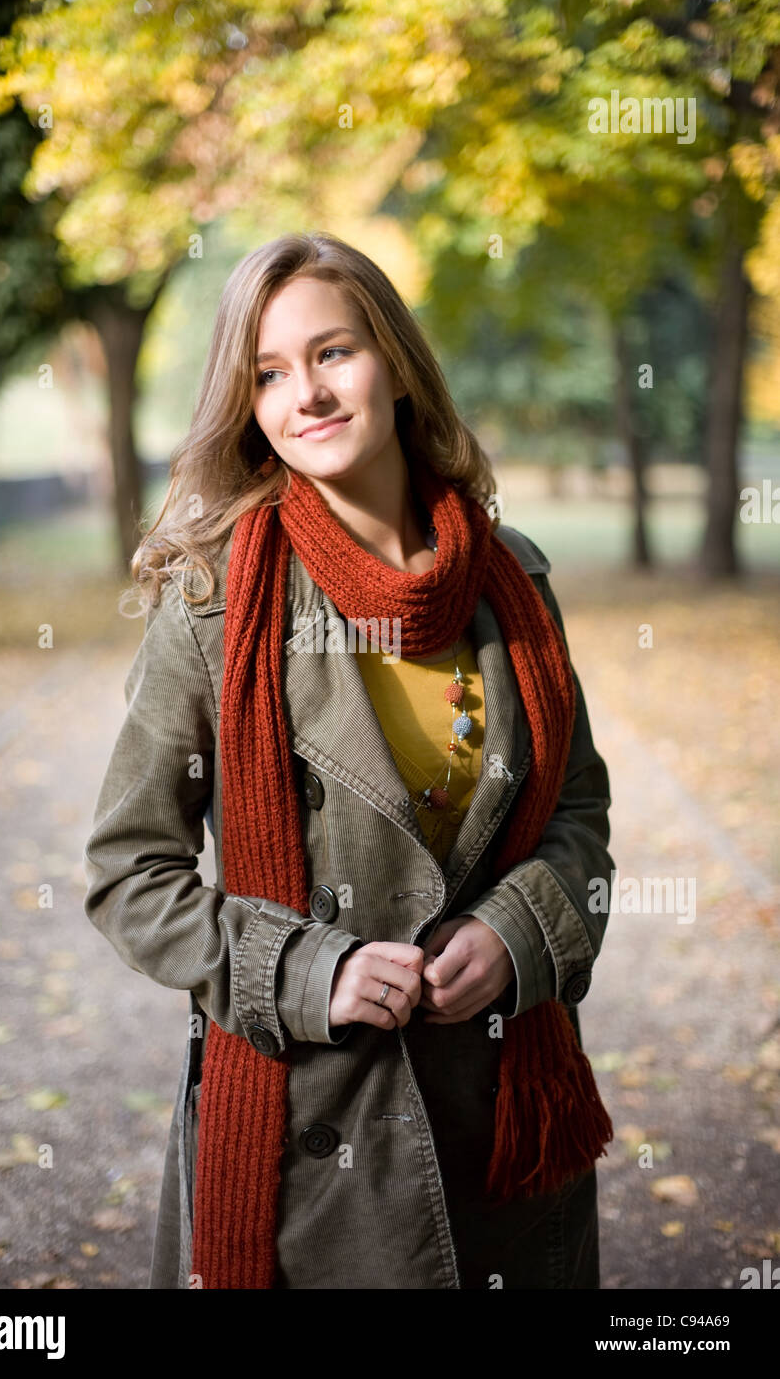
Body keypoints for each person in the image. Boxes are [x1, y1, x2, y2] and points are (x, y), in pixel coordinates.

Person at [82, 231, 615, 1291]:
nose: (305, 395)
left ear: (394, 365)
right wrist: (304, 970)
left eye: (331, 354)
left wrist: (519, 932)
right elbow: (127, 876)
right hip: (309, 1134)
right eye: (268, 374)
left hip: (503, 1112)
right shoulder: (214, 602)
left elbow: (578, 818)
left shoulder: (510, 578)